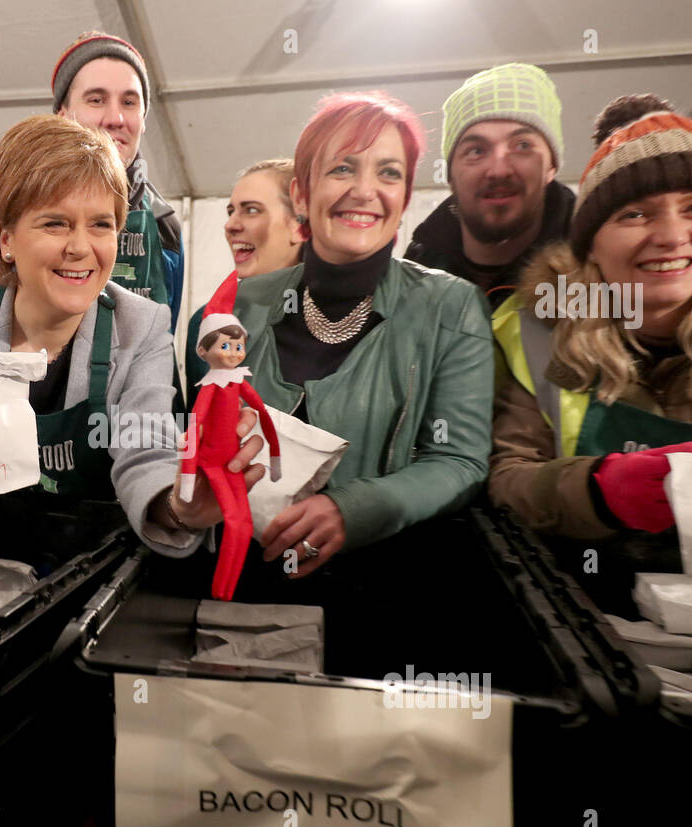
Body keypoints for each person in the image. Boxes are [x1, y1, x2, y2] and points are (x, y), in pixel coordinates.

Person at [0, 114, 262, 558]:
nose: (81, 247)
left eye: (101, 225)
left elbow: (147, 452)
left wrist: (179, 505)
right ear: (6, 239)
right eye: (55, 224)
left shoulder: (139, 326)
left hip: (82, 579)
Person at [490, 100, 692, 610]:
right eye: (635, 214)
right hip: (589, 621)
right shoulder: (533, 329)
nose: (672, 236)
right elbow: (505, 479)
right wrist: (596, 490)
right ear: (591, 244)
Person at [185, 92, 494, 581]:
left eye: (388, 173)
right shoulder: (229, 312)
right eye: (342, 169)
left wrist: (354, 509)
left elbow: (459, 459)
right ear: (302, 195)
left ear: (406, 196)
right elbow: (189, 447)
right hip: (231, 582)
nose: (365, 190)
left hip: (381, 591)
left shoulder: (451, 308)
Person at [0, 30, 185, 327]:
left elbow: (166, 333)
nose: (115, 118)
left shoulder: (163, 223)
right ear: (63, 115)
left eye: (129, 102)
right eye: (96, 100)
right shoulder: (7, 212)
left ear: (144, 120)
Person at [405, 63, 575, 311]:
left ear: (551, 167)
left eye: (522, 146)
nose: (498, 170)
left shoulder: (600, 281)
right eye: (476, 150)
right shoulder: (413, 284)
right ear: (450, 174)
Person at [185, 158, 304, 403]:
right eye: (231, 211)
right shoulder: (205, 321)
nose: (230, 225)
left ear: (299, 225)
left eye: (251, 210)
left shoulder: (335, 321)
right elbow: (195, 429)